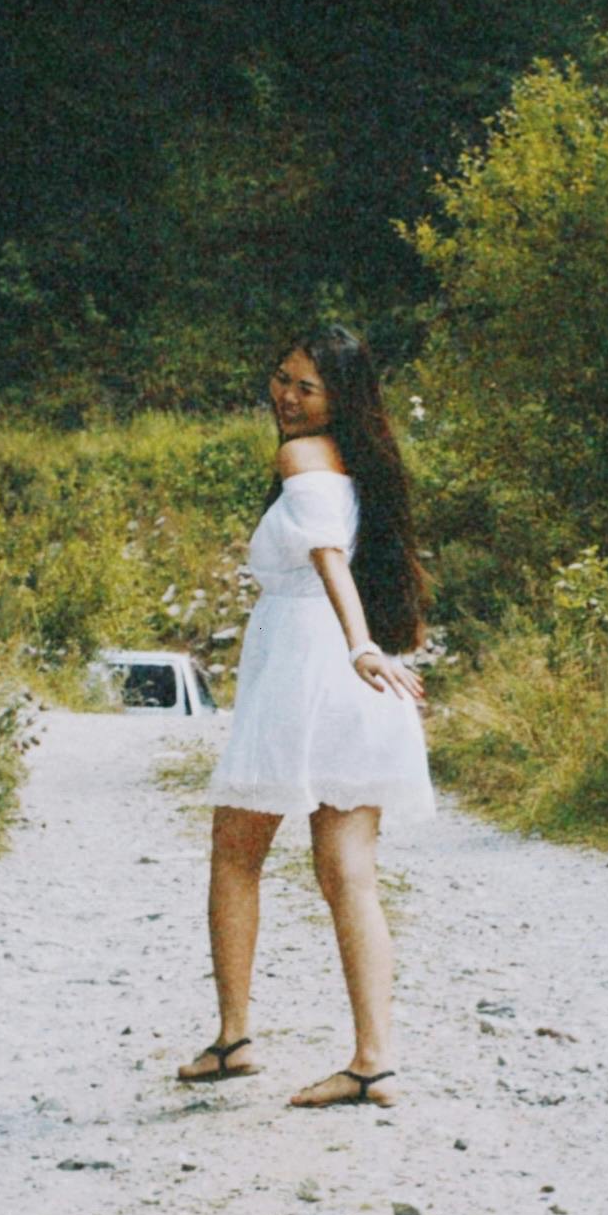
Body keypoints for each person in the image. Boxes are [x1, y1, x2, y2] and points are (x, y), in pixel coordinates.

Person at [178, 324, 433, 1107]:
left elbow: (324, 554)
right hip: (351, 669)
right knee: (348, 870)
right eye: (281, 378)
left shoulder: (302, 457)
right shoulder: (363, 465)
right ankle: (373, 1060)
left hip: (311, 666)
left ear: (338, 397)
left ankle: (234, 1037)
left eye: (306, 386)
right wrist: (370, 647)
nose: (285, 396)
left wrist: (358, 646)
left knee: (235, 851)